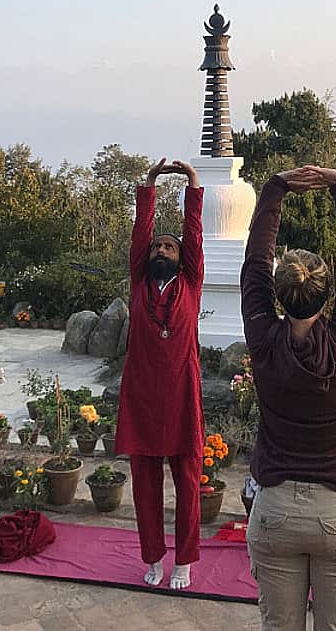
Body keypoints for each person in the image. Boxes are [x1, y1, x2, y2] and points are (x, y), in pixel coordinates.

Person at [241, 165, 336, 631]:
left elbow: (255, 265)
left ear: (279, 295)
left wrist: (274, 189)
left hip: (275, 509)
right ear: (325, 296)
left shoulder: (263, 338)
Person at [113, 158, 205, 590]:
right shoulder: (138, 282)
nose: (161, 251)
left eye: (169, 247)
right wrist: (148, 185)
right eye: (157, 248)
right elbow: (140, 235)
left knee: (187, 483)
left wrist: (192, 184)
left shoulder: (191, 281)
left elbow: (195, 235)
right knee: (144, 486)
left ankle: (185, 561)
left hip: (182, 395)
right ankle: (152, 556)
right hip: (142, 396)